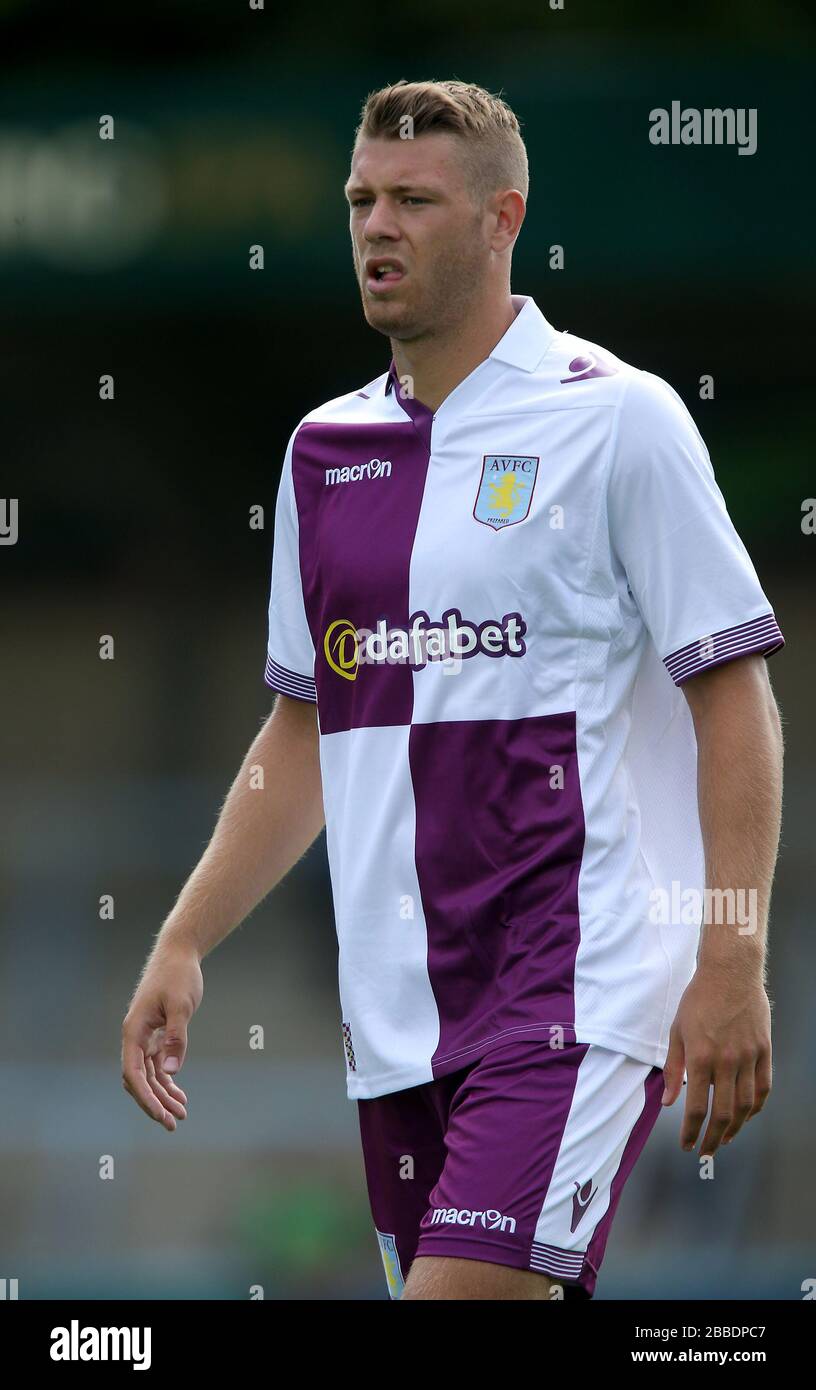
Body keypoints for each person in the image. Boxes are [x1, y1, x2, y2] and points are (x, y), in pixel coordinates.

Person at [122, 79, 785, 1301]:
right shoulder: (321, 453)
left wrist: (731, 956)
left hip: (573, 994)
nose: (377, 226)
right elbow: (307, 724)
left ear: (501, 219)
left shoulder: (620, 419)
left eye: (415, 200)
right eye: (361, 200)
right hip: (396, 1033)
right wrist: (184, 935)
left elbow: (731, 693)